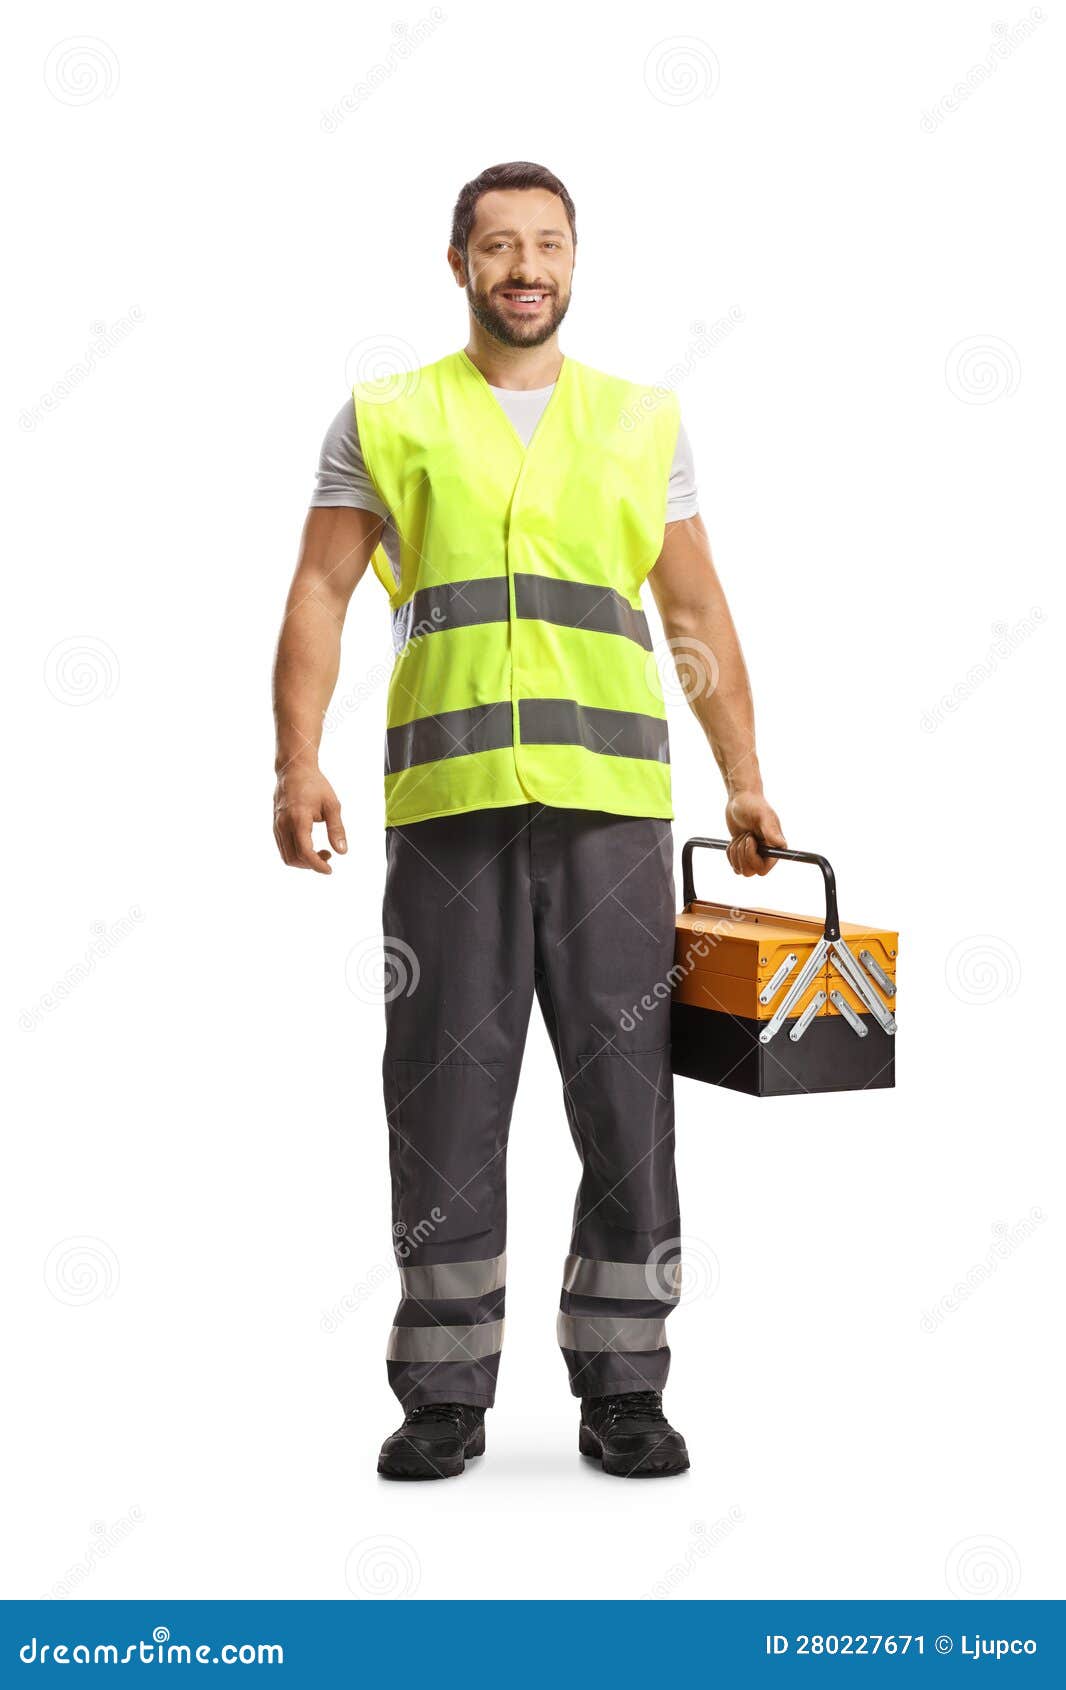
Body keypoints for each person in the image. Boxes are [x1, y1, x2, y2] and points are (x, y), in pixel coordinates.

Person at [272, 160, 786, 1480]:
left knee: (626, 1102)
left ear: (574, 261)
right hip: (446, 815)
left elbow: (693, 610)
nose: (523, 266)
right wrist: (295, 759)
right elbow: (322, 592)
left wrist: (740, 773)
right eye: (497, 244)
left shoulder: (640, 418)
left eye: (545, 243)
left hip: (611, 815)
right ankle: (442, 1391)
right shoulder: (383, 417)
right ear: (457, 265)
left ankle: (625, 1385)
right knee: (442, 1100)